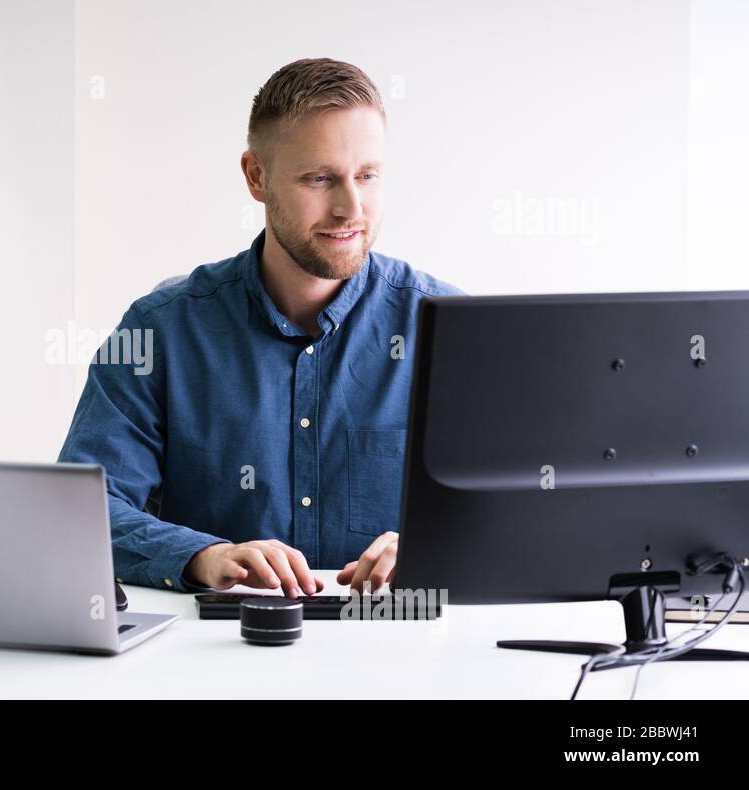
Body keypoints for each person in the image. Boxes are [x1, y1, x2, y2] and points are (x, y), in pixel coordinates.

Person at [58, 58, 463, 598]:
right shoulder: (159, 331)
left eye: (367, 176)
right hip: (219, 655)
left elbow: (526, 505)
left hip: (400, 648)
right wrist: (202, 555)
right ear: (256, 176)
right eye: (319, 178)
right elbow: (82, 512)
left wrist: (436, 544)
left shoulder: (449, 330)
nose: (350, 208)